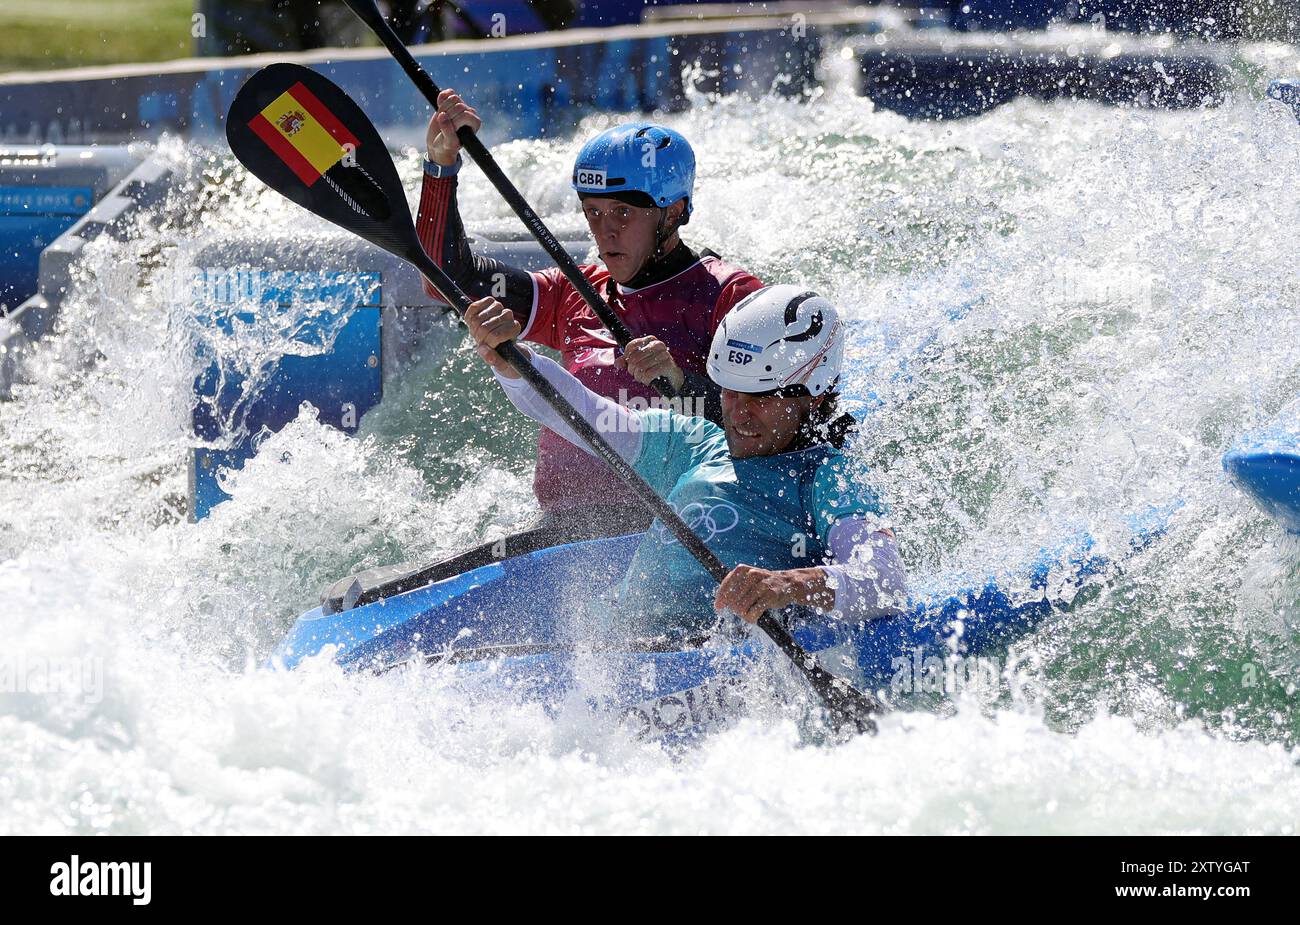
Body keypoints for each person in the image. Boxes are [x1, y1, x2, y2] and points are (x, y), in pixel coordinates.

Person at [465, 283, 908, 635]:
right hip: (617, 647)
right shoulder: (694, 443)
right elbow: (583, 412)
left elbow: (884, 580)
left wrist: (788, 585)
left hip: (705, 661)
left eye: (762, 399)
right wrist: (512, 361)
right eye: (731, 391)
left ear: (814, 398)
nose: (739, 413)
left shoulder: (827, 477)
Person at [417, 90, 764, 534]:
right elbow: (442, 278)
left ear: (673, 212)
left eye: (623, 212)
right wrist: (441, 166)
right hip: (563, 530)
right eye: (594, 212)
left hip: (677, 532)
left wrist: (680, 383)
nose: (606, 231)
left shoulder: (728, 295)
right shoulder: (572, 289)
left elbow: (773, 427)